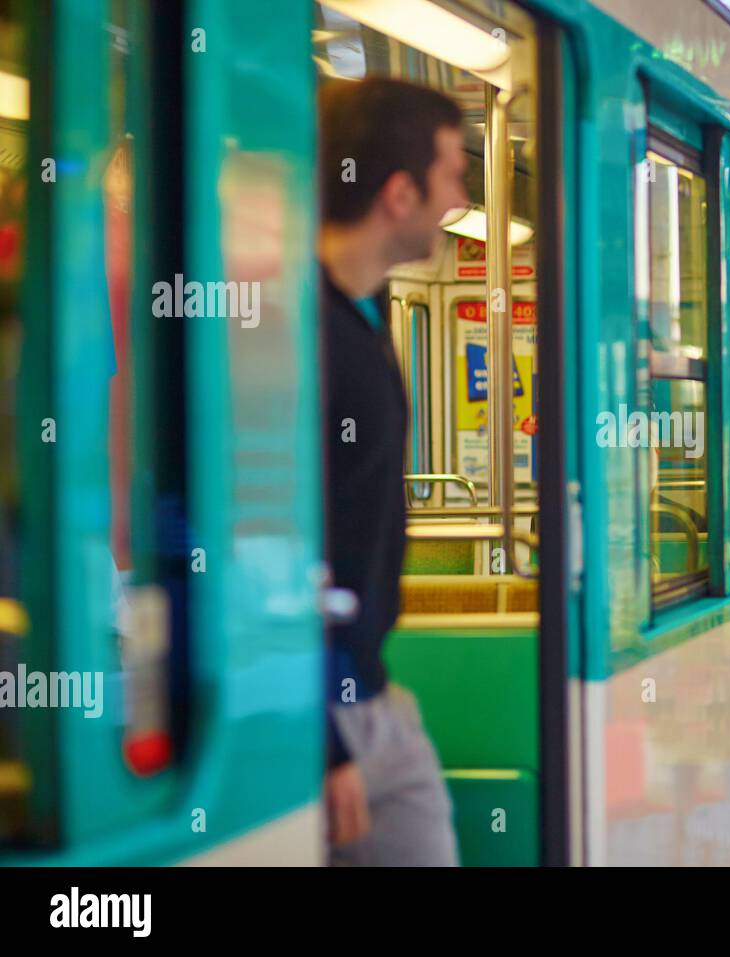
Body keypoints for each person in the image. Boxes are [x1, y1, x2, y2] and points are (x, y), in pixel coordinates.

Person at [317, 78, 468, 865]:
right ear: (400, 192)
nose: (461, 196)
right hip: (324, 709)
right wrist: (326, 742)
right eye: (450, 173)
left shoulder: (366, 316)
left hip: (366, 694)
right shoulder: (302, 336)